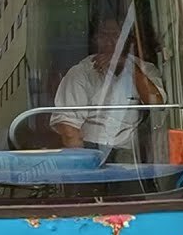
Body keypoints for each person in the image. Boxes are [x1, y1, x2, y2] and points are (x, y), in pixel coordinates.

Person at [50, 17, 166, 162]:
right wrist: (84, 166)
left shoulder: (145, 69)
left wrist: (129, 67)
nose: (110, 41)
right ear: (94, 40)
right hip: (89, 151)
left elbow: (157, 104)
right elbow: (69, 129)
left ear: (128, 40)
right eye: (104, 35)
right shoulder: (80, 73)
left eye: (116, 36)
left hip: (130, 156)